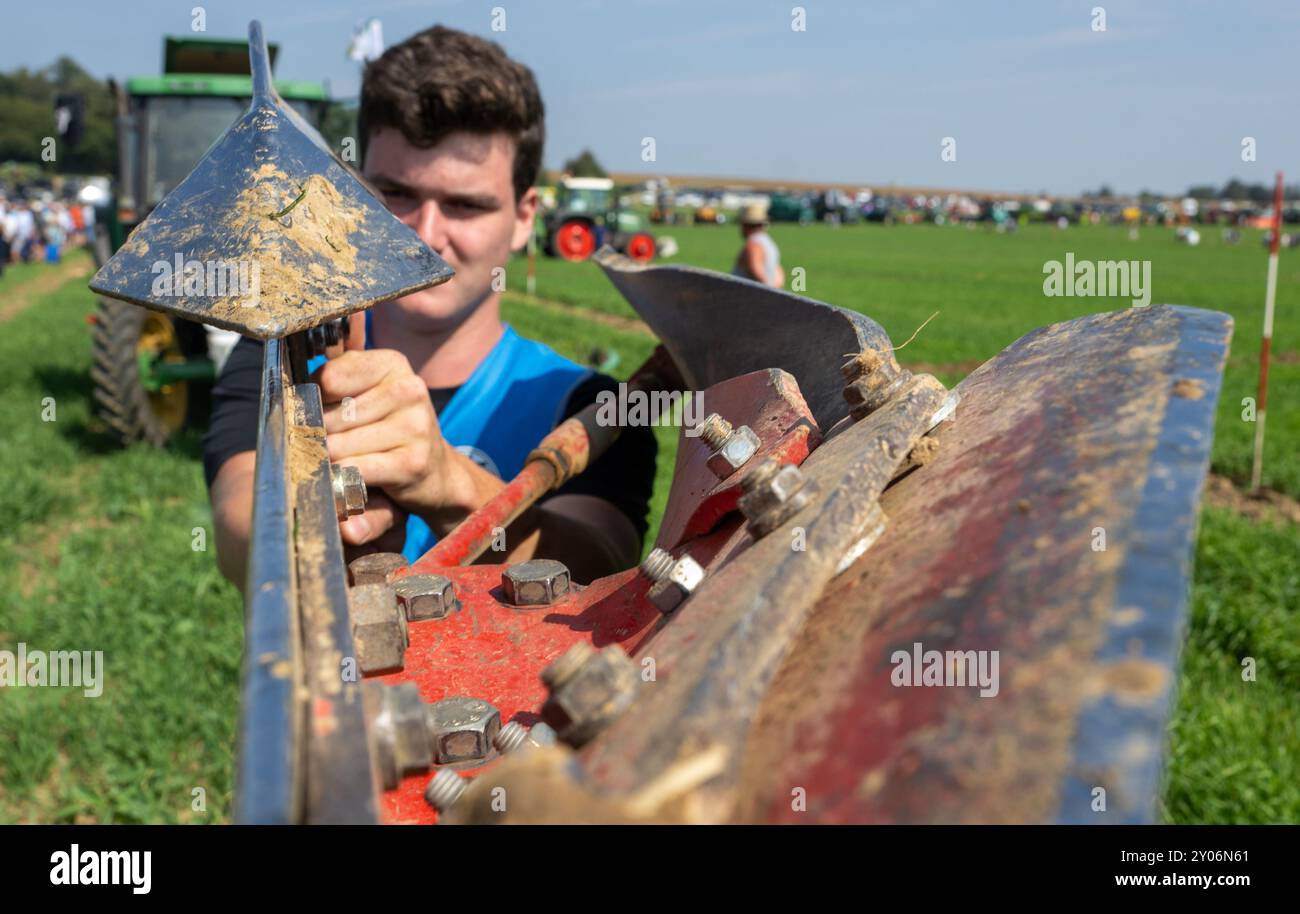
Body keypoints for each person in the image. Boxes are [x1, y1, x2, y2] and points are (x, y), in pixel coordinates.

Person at [204, 25, 656, 591]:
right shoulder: (278, 357)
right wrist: (318, 534)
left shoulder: (592, 409)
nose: (426, 234)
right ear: (357, 192)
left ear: (524, 217)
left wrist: (454, 486)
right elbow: (236, 533)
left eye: (466, 205)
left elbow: (600, 568)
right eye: (397, 194)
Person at [731, 202, 783, 287]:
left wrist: (768, 293)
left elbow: (756, 271)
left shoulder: (753, 246)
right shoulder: (769, 243)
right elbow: (779, 274)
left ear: (745, 225)